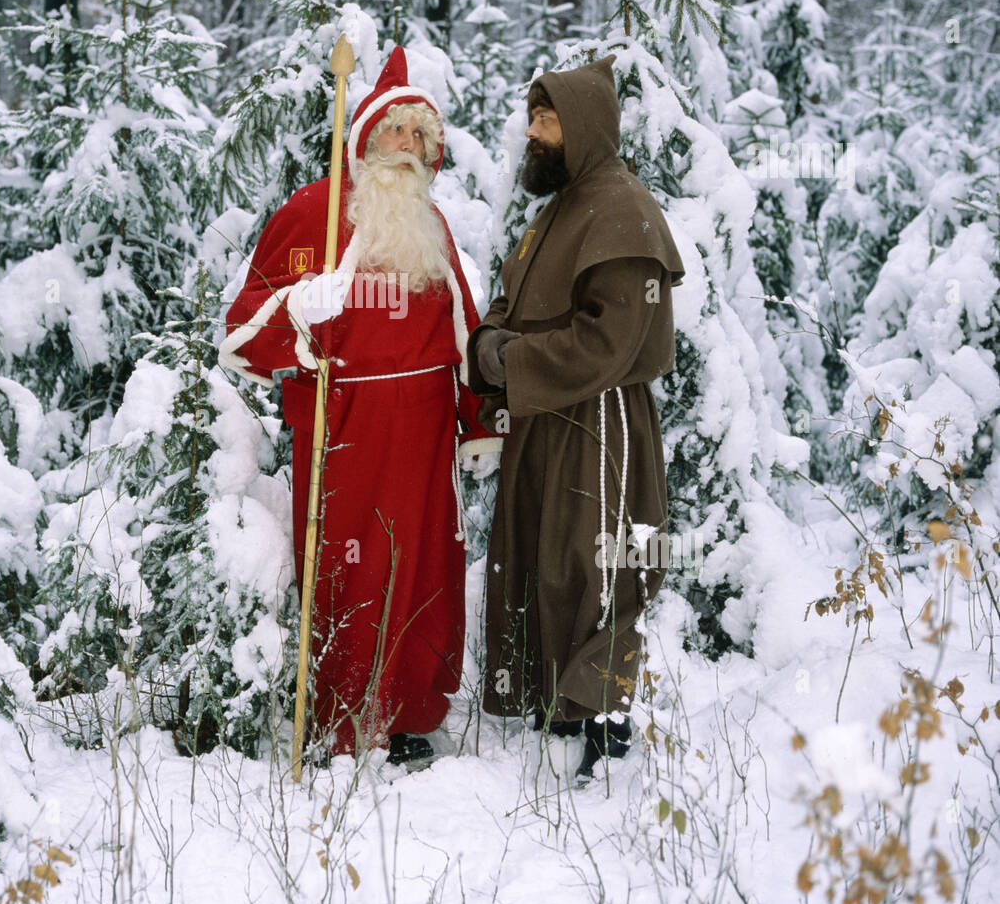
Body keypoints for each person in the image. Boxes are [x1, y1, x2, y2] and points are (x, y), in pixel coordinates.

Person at [219, 45, 501, 766]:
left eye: (420, 137)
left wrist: (477, 420)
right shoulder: (314, 212)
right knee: (352, 569)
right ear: (367, 138)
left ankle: (407, 716)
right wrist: (297, 307)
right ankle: (341, 720)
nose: (407, 149)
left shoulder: (431, 229)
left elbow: (464, 331)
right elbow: (239, 334)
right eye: (395, 133)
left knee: (423, 568)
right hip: (342, 429)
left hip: (430, 432)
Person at [466, 55, 685, 779]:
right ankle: (563, 707)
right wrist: (492, 345)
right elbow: (513, 302)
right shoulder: (557, 212)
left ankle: (603, 724)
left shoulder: (621, 210)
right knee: (552, 561)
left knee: (607, 564)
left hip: (600, 420)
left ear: (585, 127)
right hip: (549, 421)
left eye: (548, 119)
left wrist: (515, 362)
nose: (533, 132)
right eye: (531, 117)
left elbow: (610, 339)